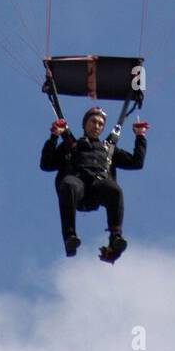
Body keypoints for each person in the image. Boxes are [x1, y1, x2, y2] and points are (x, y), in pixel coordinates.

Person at [40, 106, 147, 261]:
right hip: (77, 188)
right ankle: (70, 236)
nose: (96, 126)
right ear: (85, 124)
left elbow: (136, 162)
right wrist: (54, 136)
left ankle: (115, 237)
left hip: (98, 188)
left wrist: (140, 136)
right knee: (69, 183)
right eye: (93, 122)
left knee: (115, 190)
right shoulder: (69, 146)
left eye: (100, 124)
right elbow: (46, 164)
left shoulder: (108, 149)